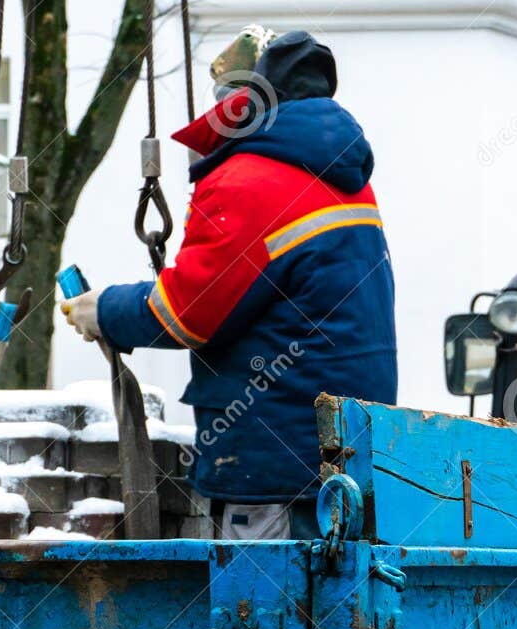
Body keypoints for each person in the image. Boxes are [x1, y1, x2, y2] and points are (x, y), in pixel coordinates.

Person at [61, 31, 397, 539]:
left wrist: (103, 310)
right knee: (332, 612)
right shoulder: (342, 175)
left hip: (272, 464)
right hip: (350, 456)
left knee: (264, 615)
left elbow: (184, 314)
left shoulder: (249, 180)